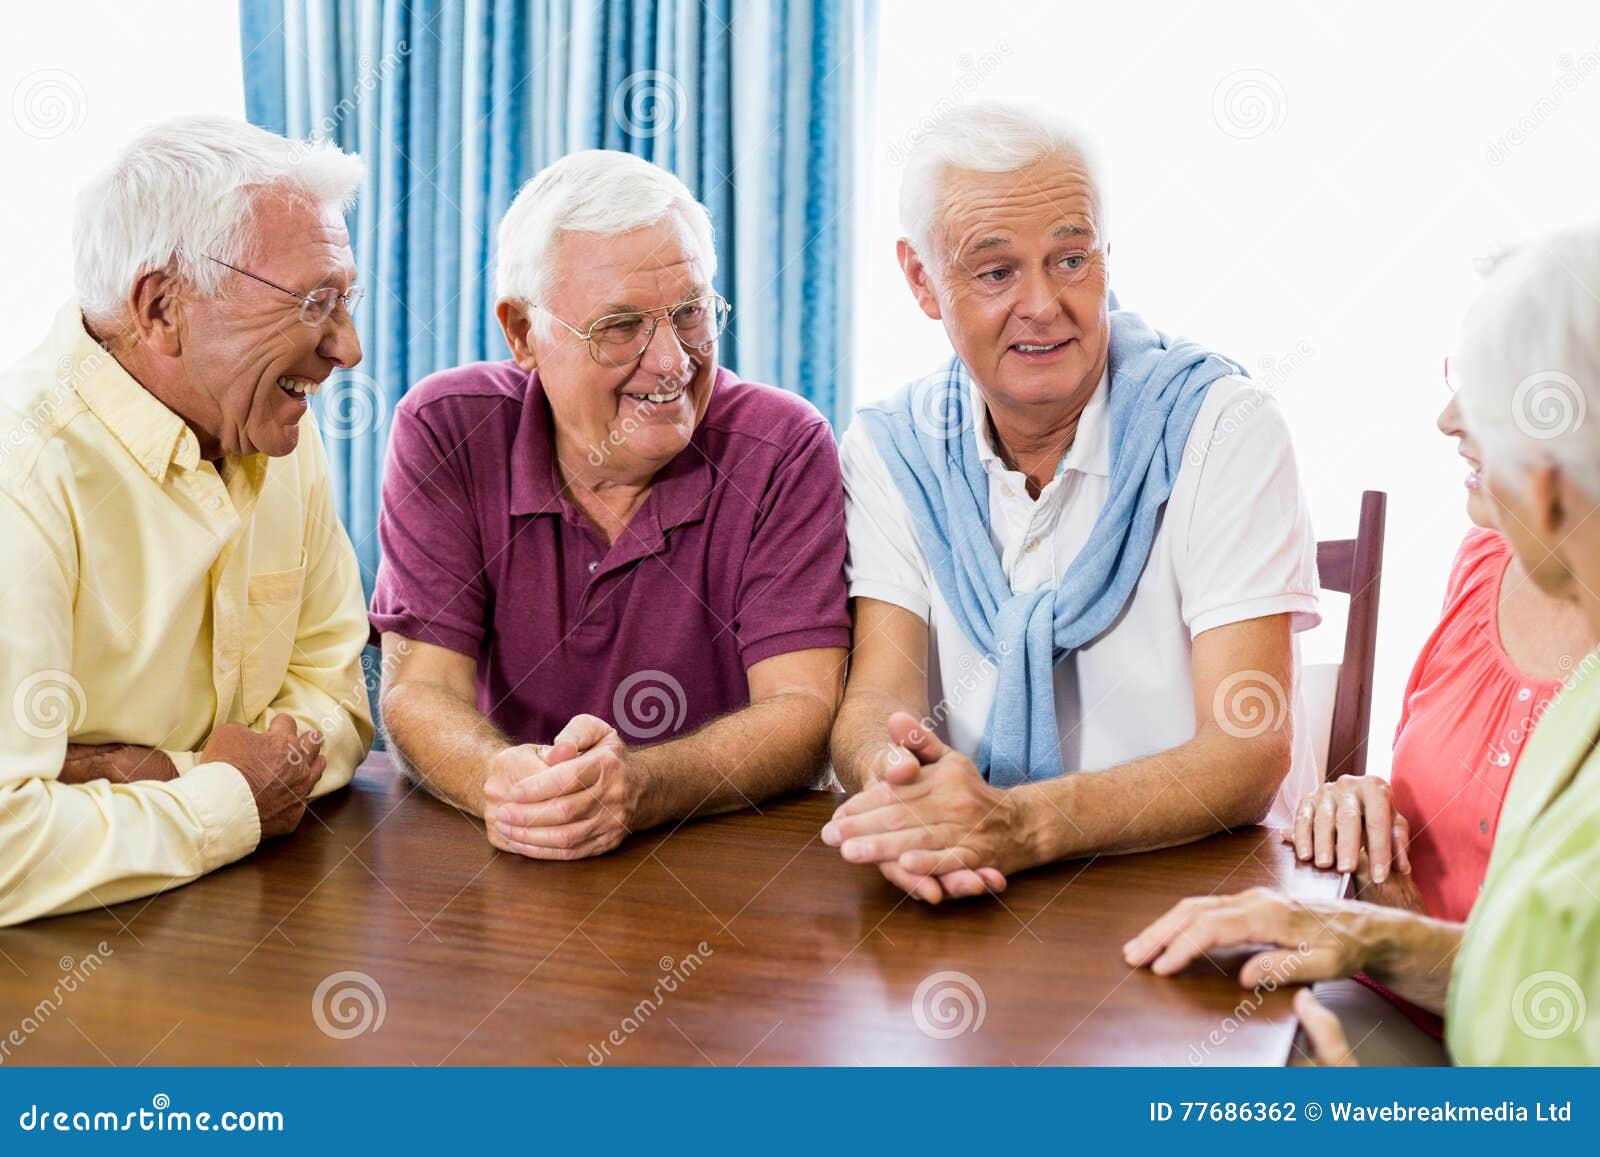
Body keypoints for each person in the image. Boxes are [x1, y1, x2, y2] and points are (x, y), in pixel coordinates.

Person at [1127, 221, 1600, 1066]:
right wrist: (1370, 839)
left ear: (1551, 487)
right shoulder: (1489, 560)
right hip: (1407, 1010)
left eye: (1480, 395)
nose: (1446, 418)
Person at [823, 102, 1320, 903]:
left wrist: (1017, 823)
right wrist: (903, 787)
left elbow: (1246, 748)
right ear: (921, 279)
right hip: (968, 887)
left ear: (1107, 256)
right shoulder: (892, 447)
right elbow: (881, 692)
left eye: (1070, 258)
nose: (1044, 304)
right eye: (996, 271)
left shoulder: (1225, 426)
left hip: (1195, 895)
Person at [371, 150, 849, 861]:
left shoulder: (783, 445)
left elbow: (803, 710)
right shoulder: (445, 428)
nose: (671, 361)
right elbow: (417, 688)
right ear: (522, 333)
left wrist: (637, 786)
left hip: (726, 875)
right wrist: (500, 783)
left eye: (690, 312)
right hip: (507, 862)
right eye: (620, 326)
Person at [0, 116, 376, 926]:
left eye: (346, 298)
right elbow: (6, 849)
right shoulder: (18, 473)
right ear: (162, 307)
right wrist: (227, 789)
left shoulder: (275, 426)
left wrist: (149, 771)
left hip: (240, 921)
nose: (347, 348)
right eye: (315, 301)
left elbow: (339, 708)